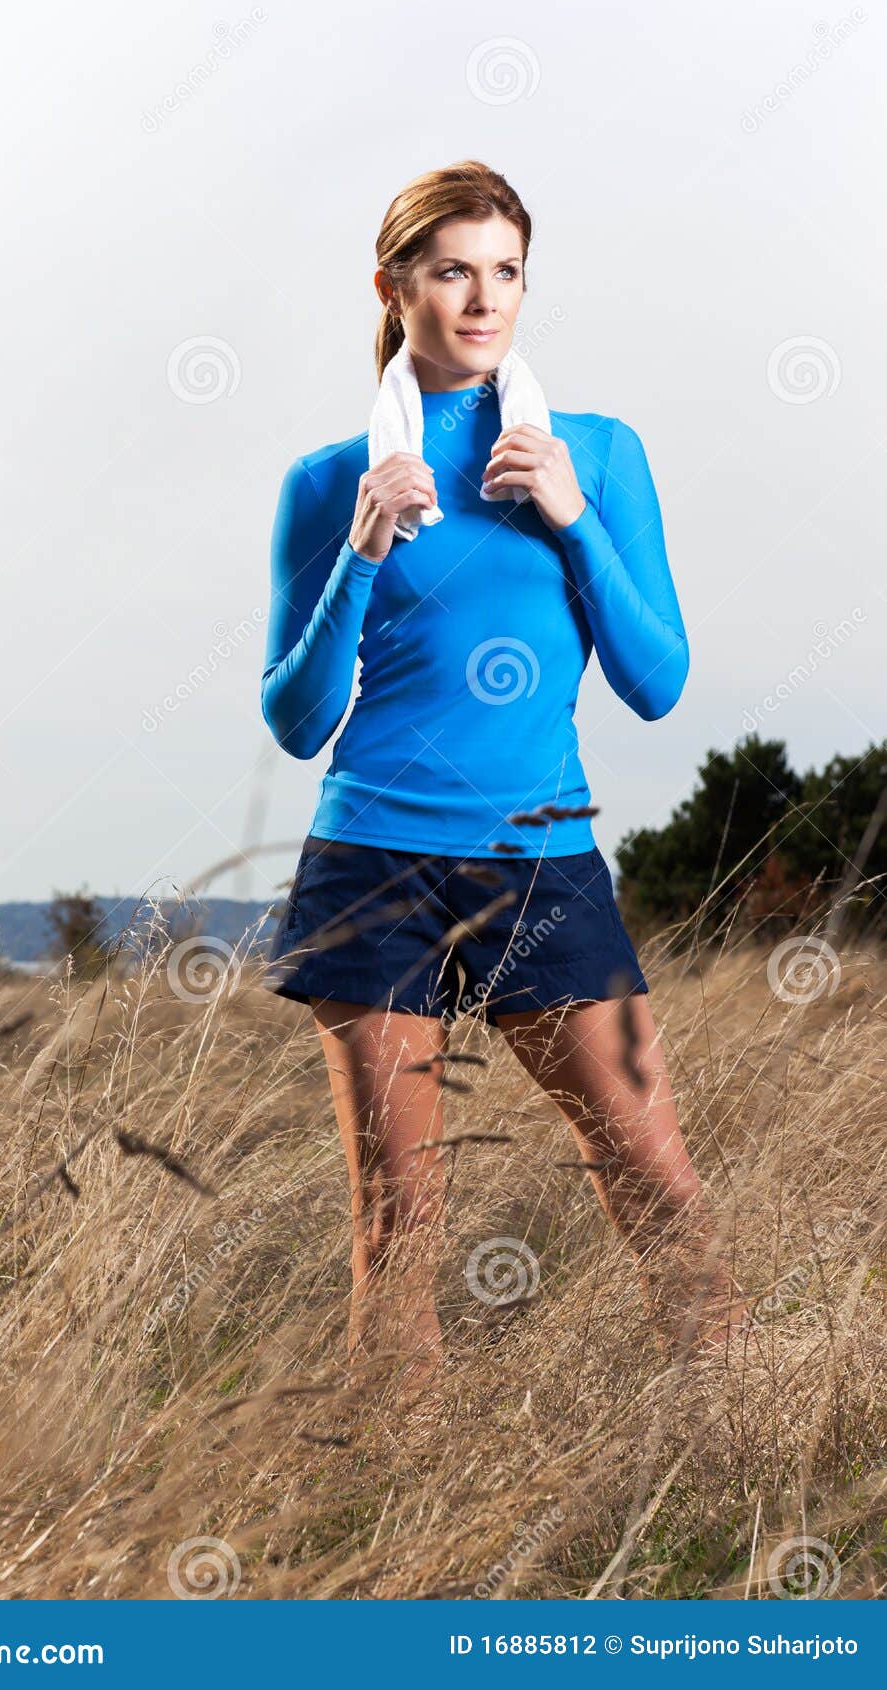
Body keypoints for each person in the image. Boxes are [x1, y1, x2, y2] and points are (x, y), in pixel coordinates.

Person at [260, 159, 745, 1393]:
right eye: (452, 270)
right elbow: (296, 718)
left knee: (654, 1177)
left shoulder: (594, 451)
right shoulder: (330, 483)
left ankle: (744, 1443)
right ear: (395, 285)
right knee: (397, 1223)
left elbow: (656, 681)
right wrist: (364, 550)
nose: (483, 299)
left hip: (542, 856)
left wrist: (575, 520)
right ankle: (395, 1522)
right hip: (372, 859)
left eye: (506, 272)